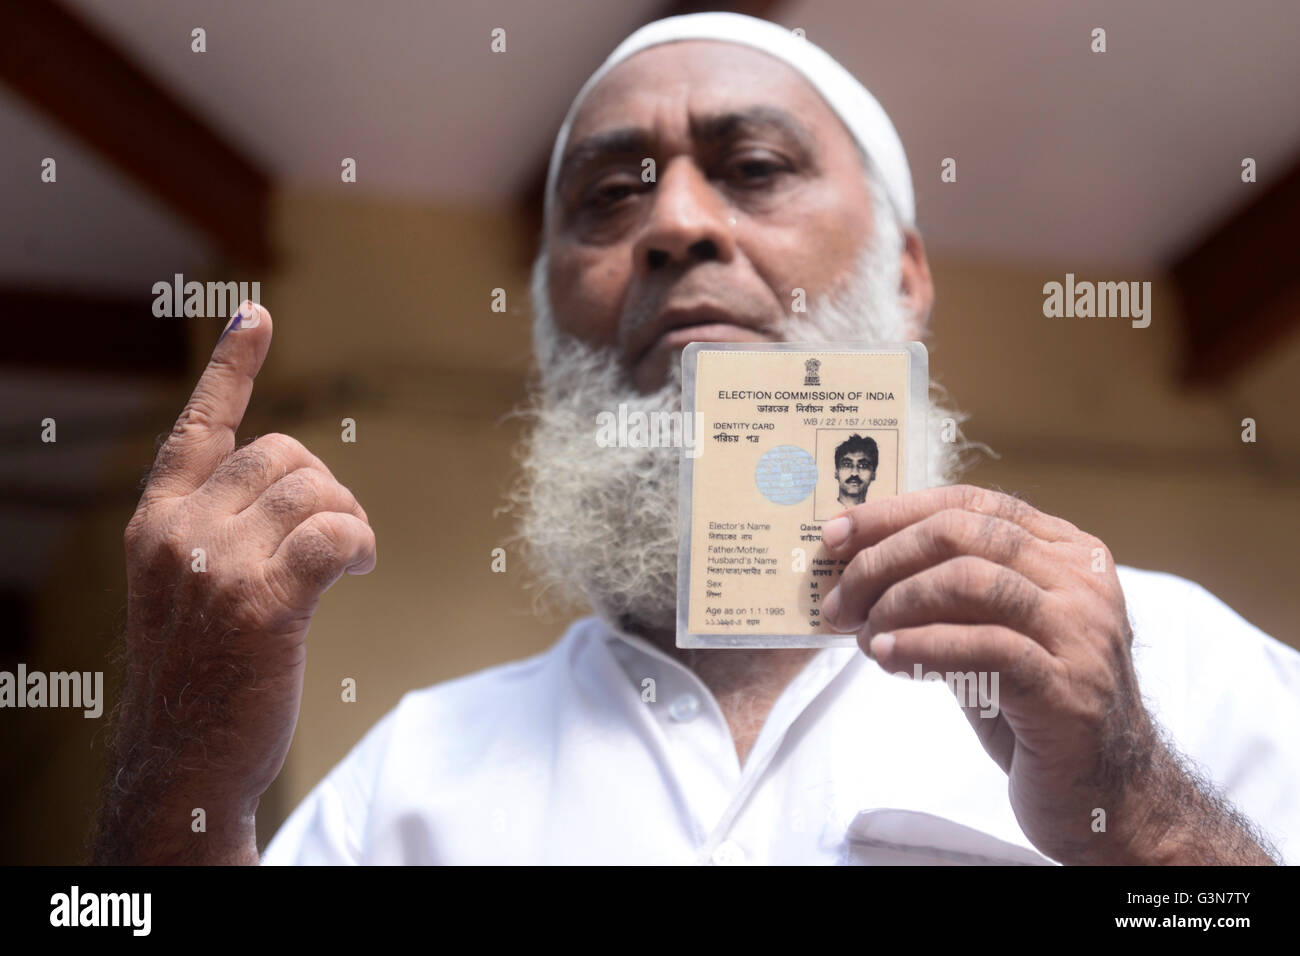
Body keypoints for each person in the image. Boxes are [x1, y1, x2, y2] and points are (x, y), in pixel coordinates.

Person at [92, 13, 1300, 866]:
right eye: (609, 196)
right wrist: (176, 771)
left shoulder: (1177, 666)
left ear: (906, 276)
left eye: (753, 167)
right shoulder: (410, 778)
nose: (673, 221)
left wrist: (1138, 806)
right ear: (550, 314)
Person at [834, 434, 878, 508]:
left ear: (873, 474)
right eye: (847, 465)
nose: (854, 473)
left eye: (863, 466)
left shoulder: (880, 514)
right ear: (836, 472)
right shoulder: (819, 511)